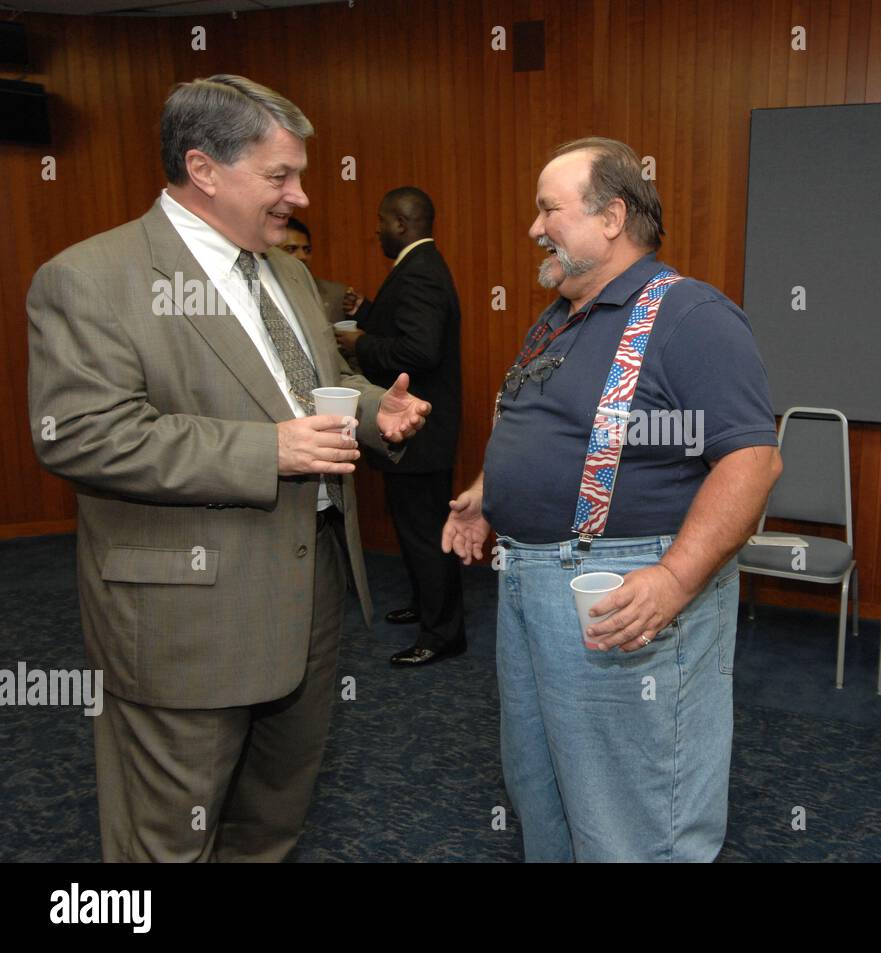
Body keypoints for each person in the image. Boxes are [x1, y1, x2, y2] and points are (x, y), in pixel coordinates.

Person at [25, 74, 430, 862]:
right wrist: (268, 450)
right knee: (166, 844)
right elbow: (77, 432)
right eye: (280, 176)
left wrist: (375, 408)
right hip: (186, 616)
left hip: (311, 593)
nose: (302, 196)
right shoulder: (90, 278)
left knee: (270, 825)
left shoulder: (281, 270)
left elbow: (309, 382)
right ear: (204, 168)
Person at [441, 137, 782, 861]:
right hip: (530, 582)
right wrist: (483, 492)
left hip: (625, 582)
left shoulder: (691, 315)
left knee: (636, 812)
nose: (534, 228)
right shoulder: (560, 315)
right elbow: (532, 421)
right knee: (546, 788)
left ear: (612, 217)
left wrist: (673, 579)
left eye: (548, 209)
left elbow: (752, 463)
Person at [336, 187, 465, 666]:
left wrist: (360, 343)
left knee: (425, 532)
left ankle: (443, 633)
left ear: (401, 223)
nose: (376, 230)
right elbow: (408, 329)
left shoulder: (420, 273)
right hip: (417, 429)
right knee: (416, 528)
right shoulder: (418, 268)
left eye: (381, 220)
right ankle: (429, 606)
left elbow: (419, 352)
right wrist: (368, 312)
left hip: (420, 431)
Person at [278, 216, 348, 326]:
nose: (303, 256)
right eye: (291, 249)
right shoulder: (259, 293)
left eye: (307, 250)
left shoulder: (336, 294)